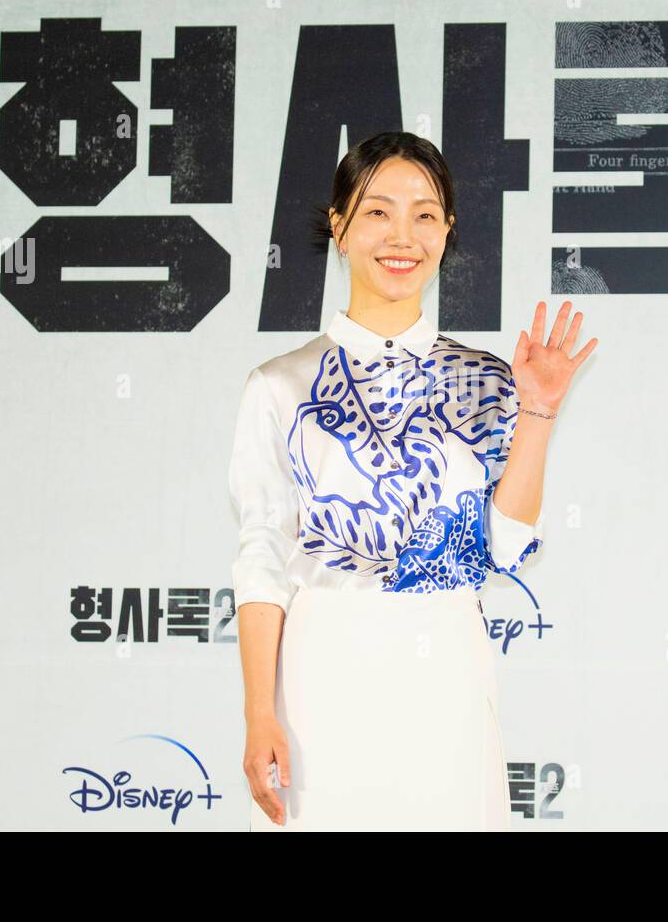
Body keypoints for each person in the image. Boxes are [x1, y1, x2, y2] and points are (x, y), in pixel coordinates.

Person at [228, 131, 597, 830]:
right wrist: (257, 711)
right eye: (377, 212)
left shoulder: (490, 379)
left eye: (425, 214)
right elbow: (262, 558)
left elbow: (505, 546)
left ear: (447, 231)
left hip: (446, 661)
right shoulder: (279, 386)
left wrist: (538, 410)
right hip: (323, 665)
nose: (403, 236)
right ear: (338, 225)